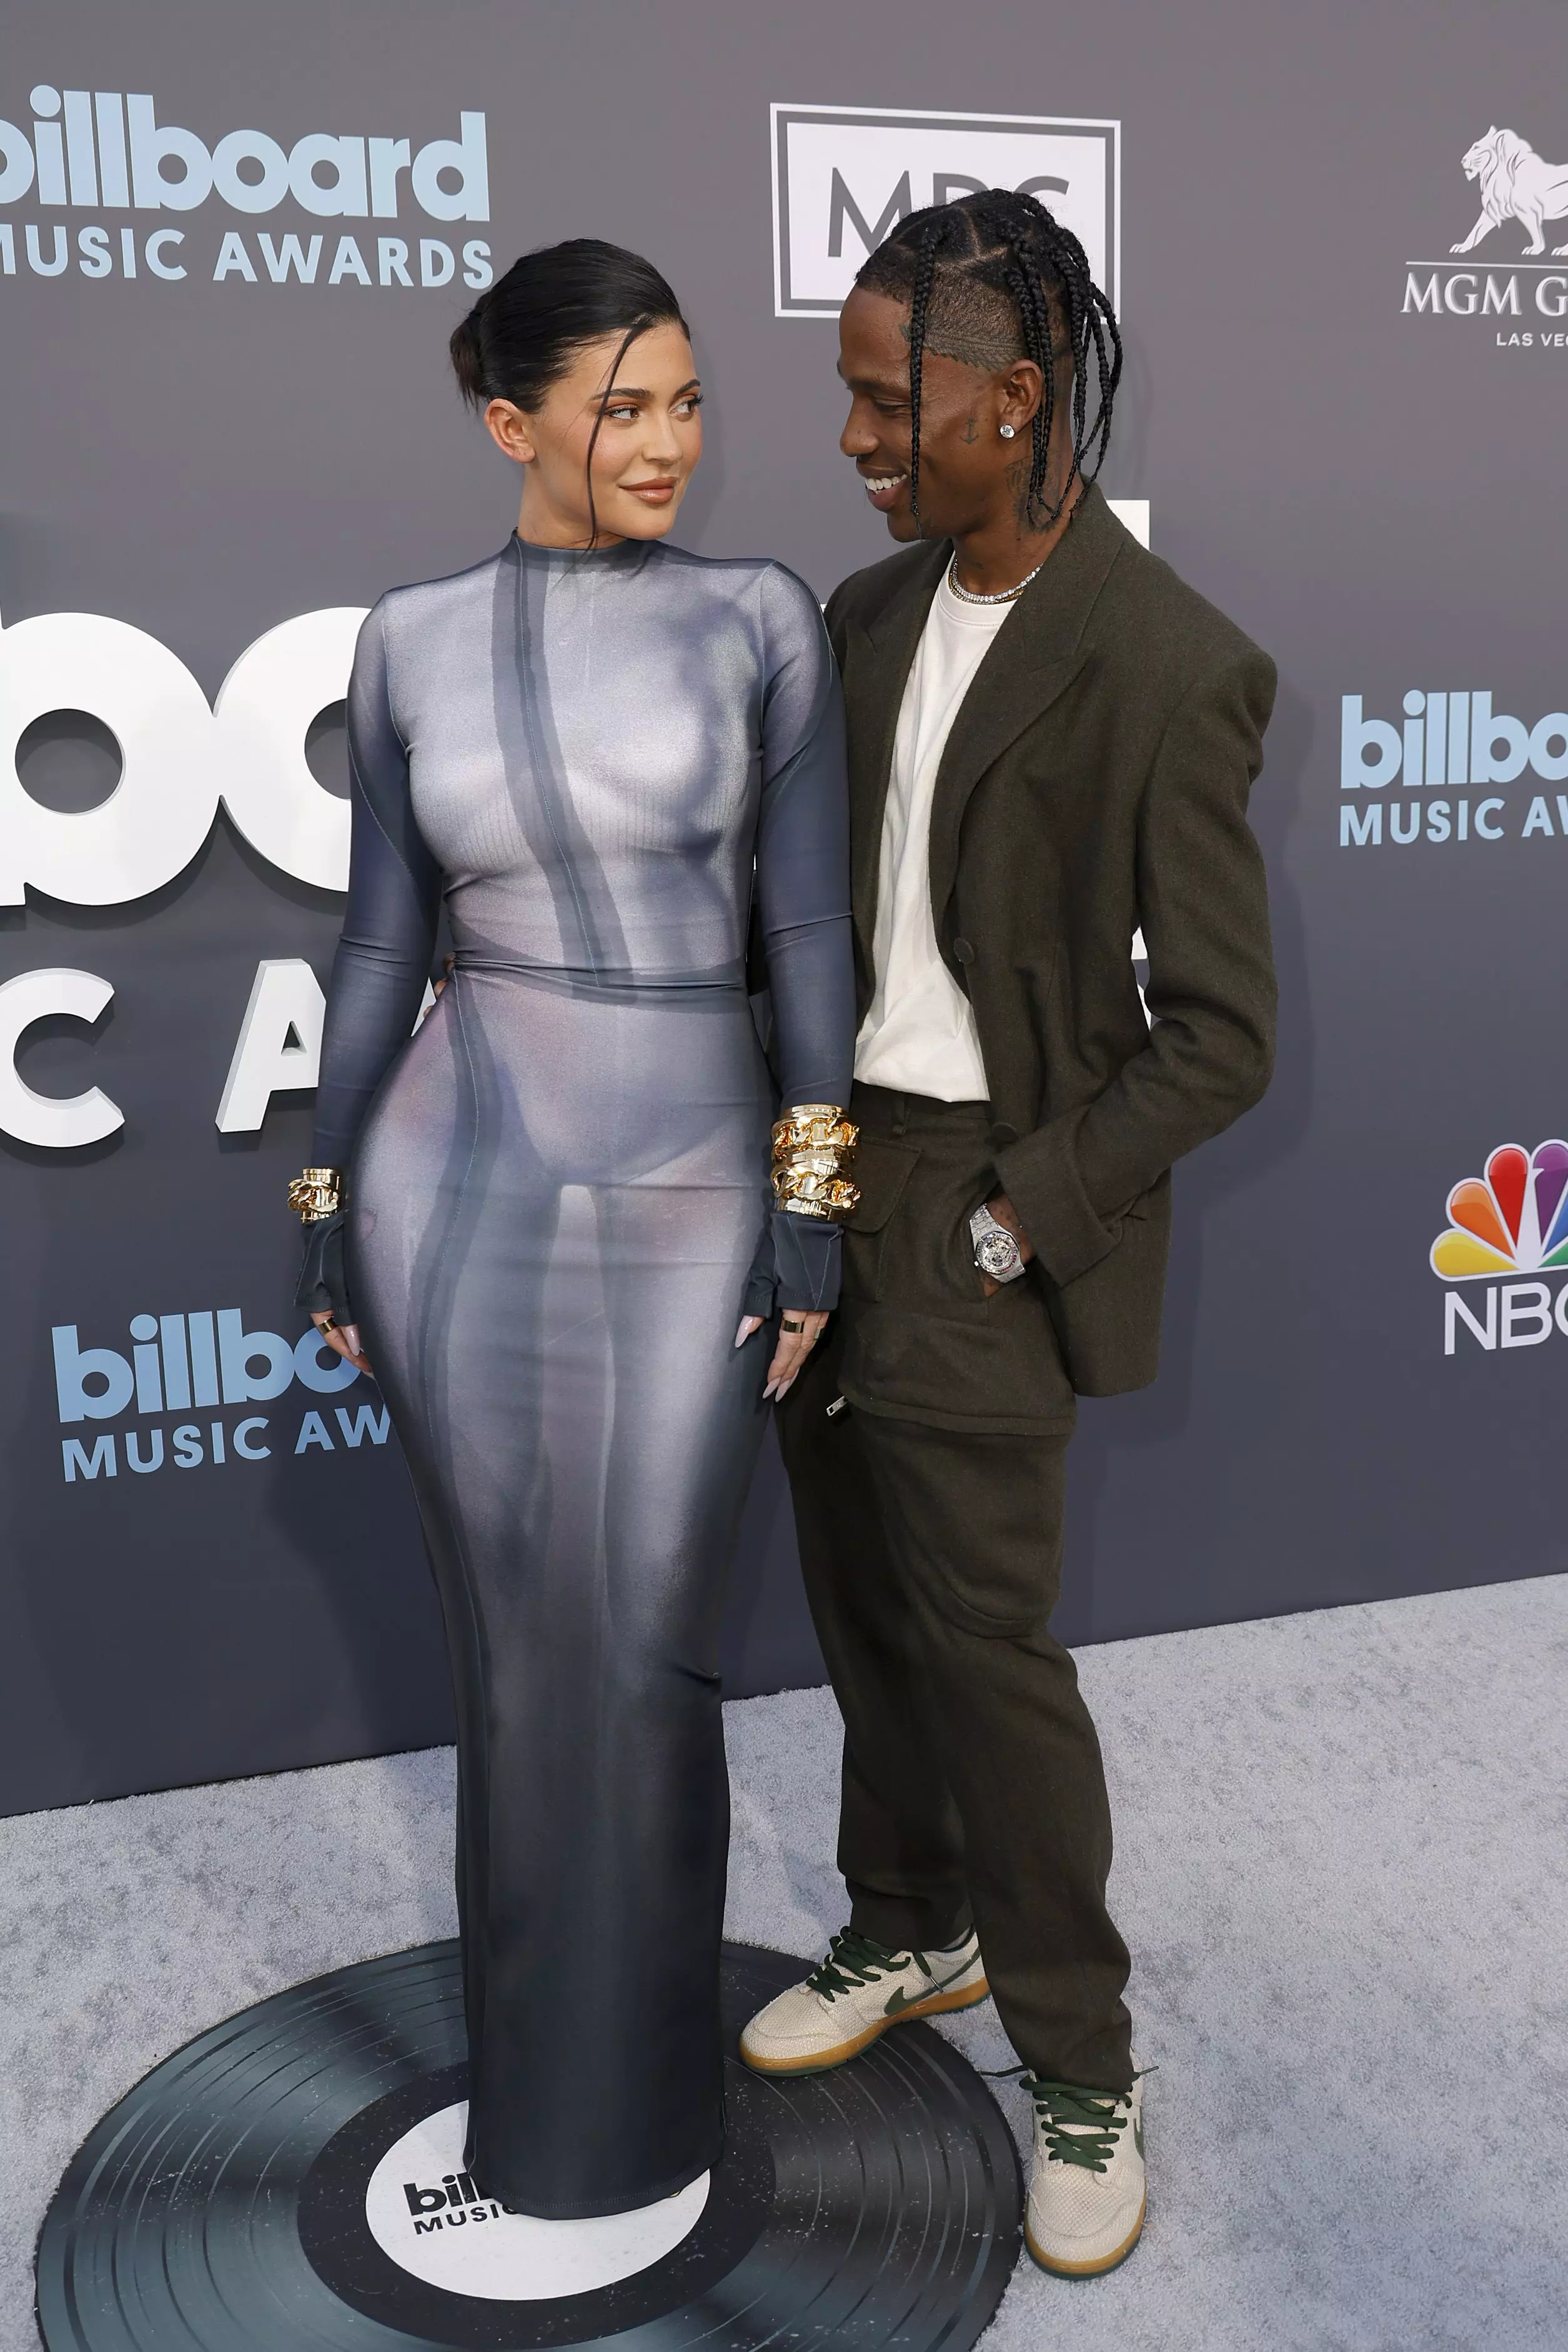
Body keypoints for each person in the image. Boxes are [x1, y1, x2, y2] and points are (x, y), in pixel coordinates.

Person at [289, 239, 856, 2220]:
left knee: (637, 1648)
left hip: (698, 1175)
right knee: (516, 1664)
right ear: (508, 419)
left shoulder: (756, 618)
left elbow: (804, 934)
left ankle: (640, 2112)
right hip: (460, 1179)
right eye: (623, 406)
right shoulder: (408, 638)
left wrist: (810, 1203)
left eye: (689, 398)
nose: (670, 442)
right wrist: (326, 1197)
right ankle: (542, 2114)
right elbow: (377, 945)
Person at [740, 192, 1277, 2280]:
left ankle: (1078, 2061)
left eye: (891, 400)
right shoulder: (862, 620)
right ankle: (912, 1919)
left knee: (989, 1651)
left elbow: (1221, 1036)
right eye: (853, 398)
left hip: (977, 1201)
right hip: (833, 1181)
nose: (860, 436)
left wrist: (1014, 1217)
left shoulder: (1167, 663)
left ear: (1011, 394)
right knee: (862, 1601)